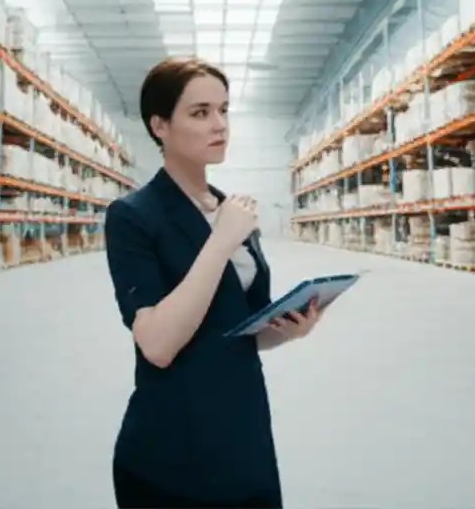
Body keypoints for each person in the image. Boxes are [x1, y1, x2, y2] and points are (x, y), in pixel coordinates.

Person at [104, 57, 325, 508]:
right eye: (200, 112)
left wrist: (284, 330)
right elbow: (158, 345)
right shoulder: (133, 217)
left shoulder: (231, 208)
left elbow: (235, 328)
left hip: (244, 431)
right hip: (173, 443)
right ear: (160, 125)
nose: (219, 124)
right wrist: (220, 240)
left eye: (224, 110)